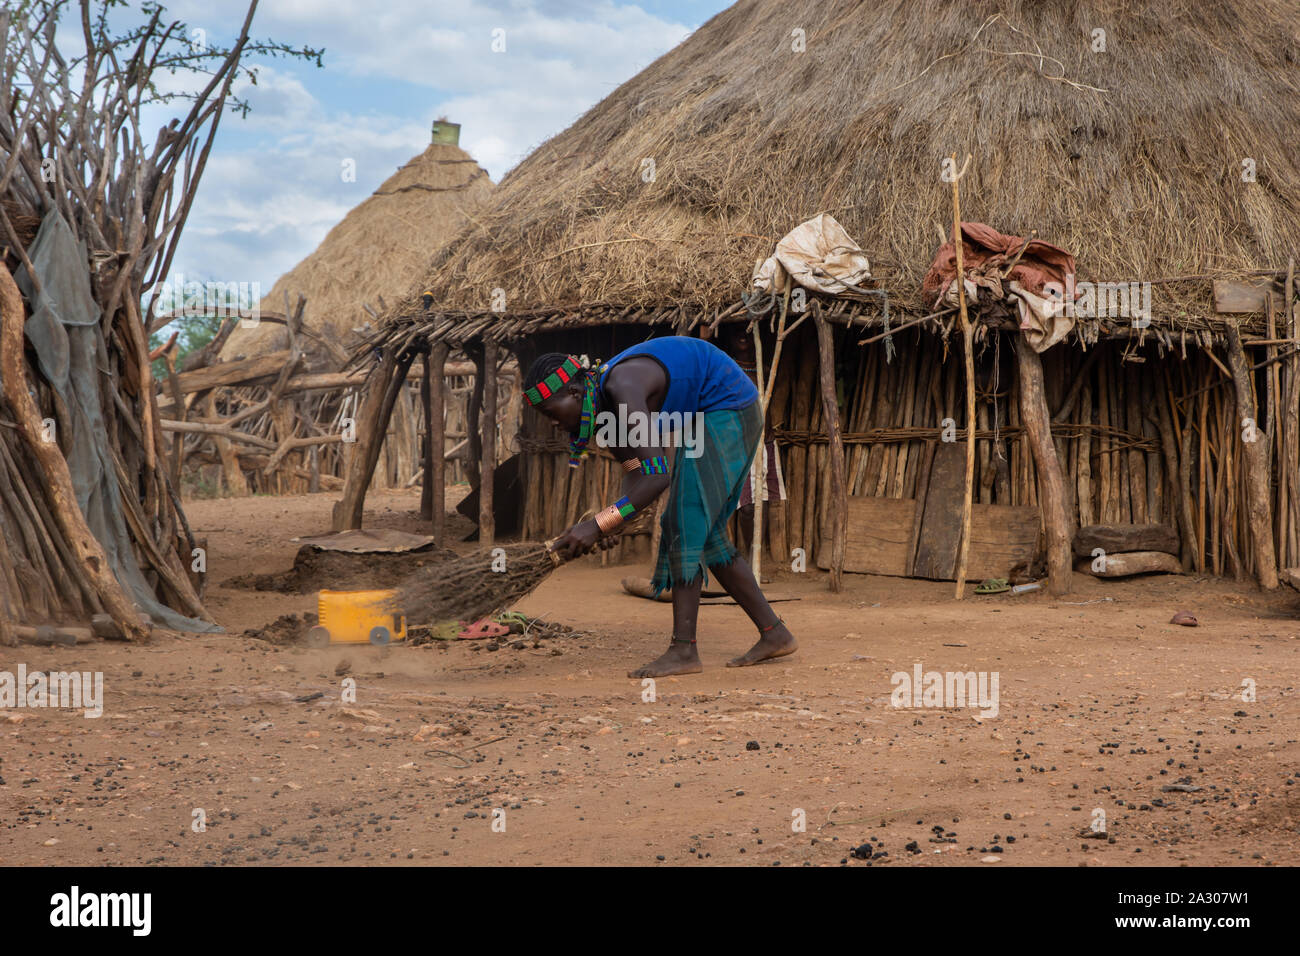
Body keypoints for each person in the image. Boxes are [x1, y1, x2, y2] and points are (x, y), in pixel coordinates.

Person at [524, 336, 797, 677]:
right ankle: (775, 633)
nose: (551, 422)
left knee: (683, 521)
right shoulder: (604, 415)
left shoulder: (622, 387)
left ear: (576, 395)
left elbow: (657, 477)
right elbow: (636, 474)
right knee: (706, 533)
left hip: (728, 407)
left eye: (550, 412)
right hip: (703, 417)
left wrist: (595, 525)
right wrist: (611, 524)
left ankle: (684, 651)